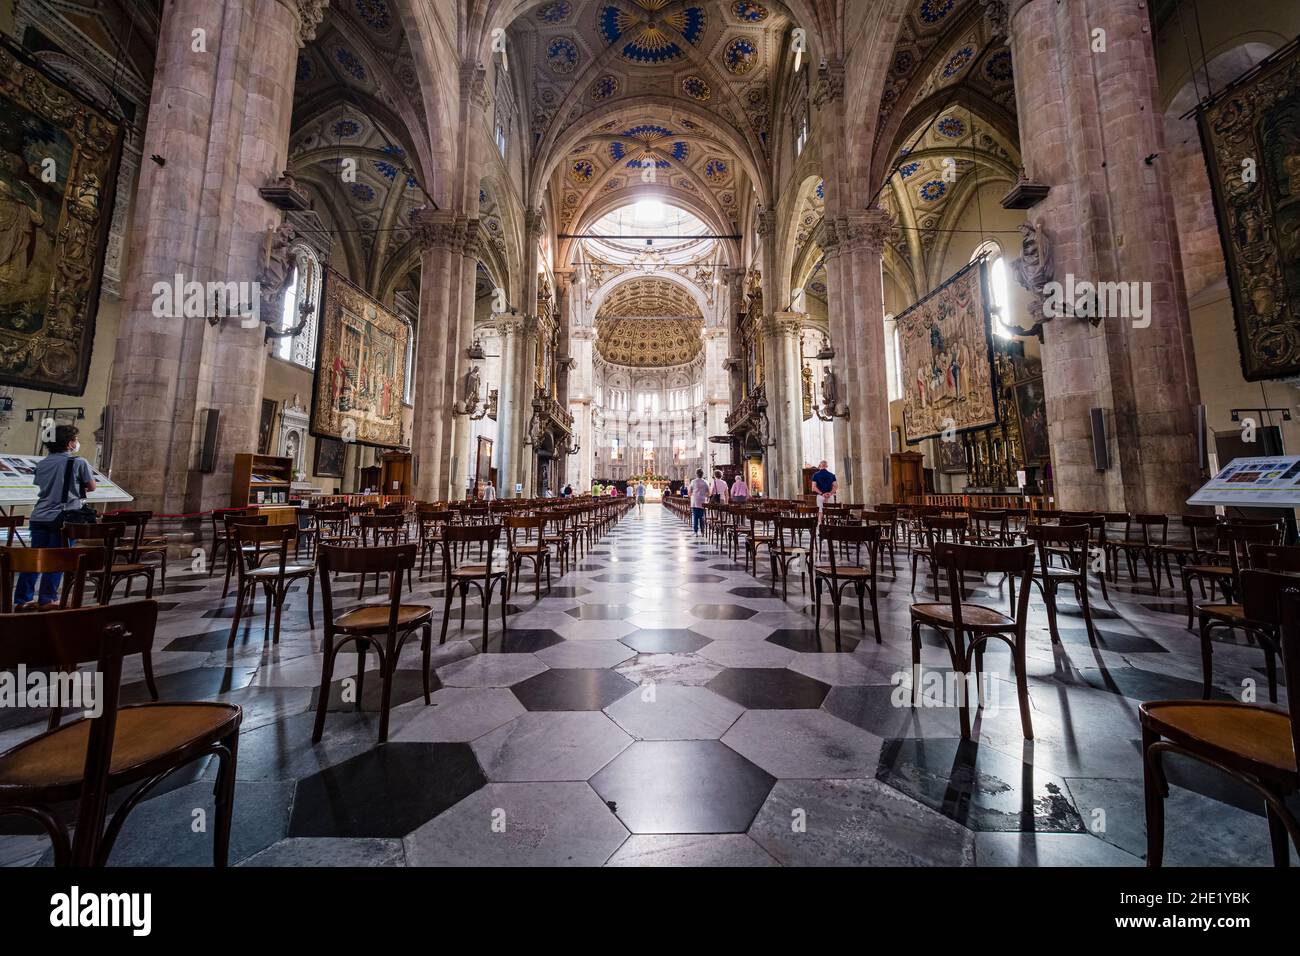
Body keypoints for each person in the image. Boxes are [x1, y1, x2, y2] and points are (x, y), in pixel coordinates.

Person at [14, 424, 96, 609]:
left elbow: (42, 485)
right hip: (62, 516)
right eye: (74, 440)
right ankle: (48, 598)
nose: (76, 443)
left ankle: (23, 599)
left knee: (35, 558)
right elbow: (91, 486)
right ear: (69, 444)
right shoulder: (78, 462)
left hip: (39, 515)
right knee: (58, 558)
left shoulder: (42, 463)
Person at [688, 468, 710, 535]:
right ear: (702, 474)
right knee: (702, 517)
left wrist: (692, 496)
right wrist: (705, 496)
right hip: (703, 501)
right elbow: (708, 492)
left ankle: (695, 531)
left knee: (695, 516)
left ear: (696, 474)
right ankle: (702, 531)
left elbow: (689, 492)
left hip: (695, 500)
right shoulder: (705, 482)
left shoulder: (693, 481)